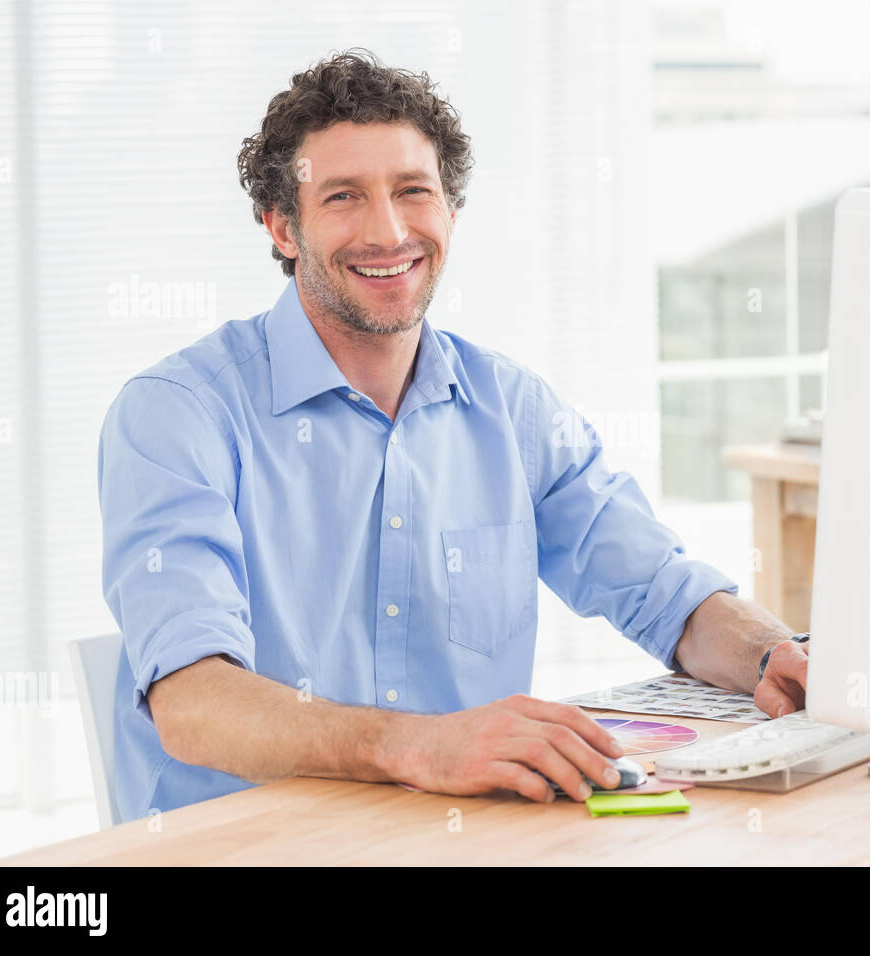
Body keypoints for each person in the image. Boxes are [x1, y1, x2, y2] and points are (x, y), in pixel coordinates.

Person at [97, 49, 808, 823]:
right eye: (342, 197)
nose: (389, 230)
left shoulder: (513, 409)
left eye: (413, 191)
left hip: (460, 839)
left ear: (450, 212)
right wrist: (417, 745)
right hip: (246, 844)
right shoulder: (176, 415)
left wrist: (773, 655)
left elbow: (667, 594)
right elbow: (193, 703)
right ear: (282, 226)